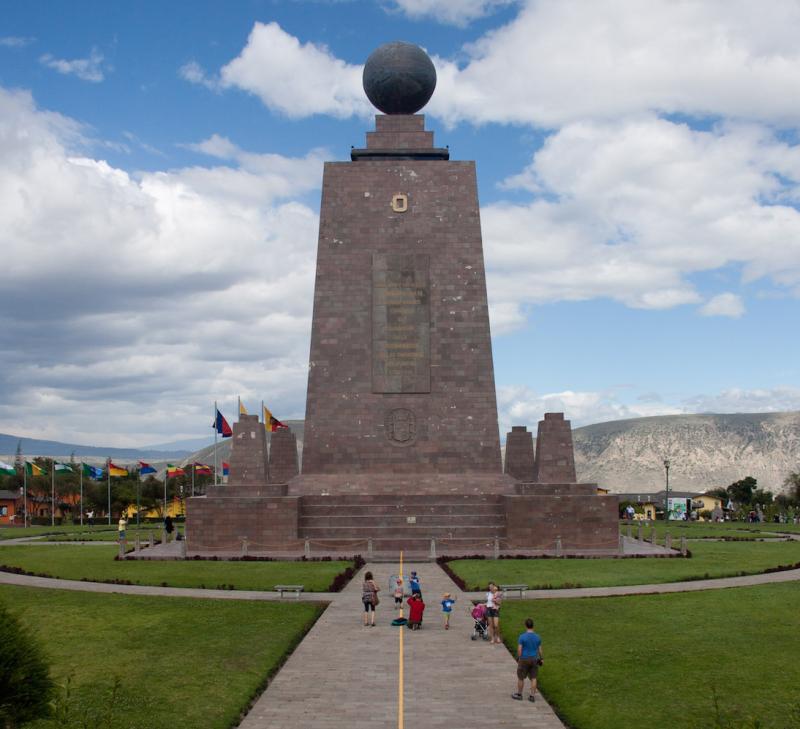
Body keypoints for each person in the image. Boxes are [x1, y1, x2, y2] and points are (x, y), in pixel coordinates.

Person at [512, 618, 543, 702]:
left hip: (524, 659)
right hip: (534, 659)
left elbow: (519, 649)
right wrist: (541, 658)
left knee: (521, 677)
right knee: (533, 678)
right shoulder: (537, 637)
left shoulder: (522, 637)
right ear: (533, 626)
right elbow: (540, 650)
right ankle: (532, 696)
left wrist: (519, 657)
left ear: (526, 625)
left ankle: (519, 694)